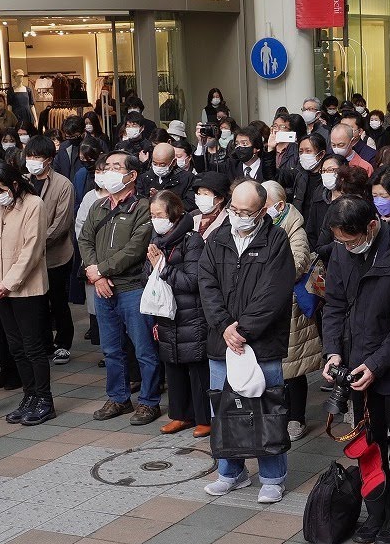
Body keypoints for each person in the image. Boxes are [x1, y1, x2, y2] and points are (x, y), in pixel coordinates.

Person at [322, 195, 390, 544]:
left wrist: (377, 364)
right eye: (340, 241)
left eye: (350, 240)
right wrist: (334, 351)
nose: (346, 247)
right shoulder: (341, 250)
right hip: (355, 361)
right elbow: (334, 304)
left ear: (370, 226)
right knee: (369, 442)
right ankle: (376, 511)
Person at [199, 180, 294, 502]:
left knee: (266, 410)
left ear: (262, 211)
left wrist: (243, 330)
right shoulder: (218, 238)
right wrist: (224, 326)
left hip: (261, 343)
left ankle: (272, 477)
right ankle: (230, 471)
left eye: (246, 212)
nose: (239, 216)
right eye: (234, 210)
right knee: (223, 411)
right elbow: (206, 284)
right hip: (221, 342)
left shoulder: (276, 240)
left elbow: (274, 293)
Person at [78, 152, 162, 425]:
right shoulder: (98, 206)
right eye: (107, 167)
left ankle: (149, 402)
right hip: (103, 289)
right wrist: (96, 275)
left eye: (117, 167)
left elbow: (135, 249)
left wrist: (101, 270)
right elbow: (85, 240)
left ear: (132, 175)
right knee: (111, 349)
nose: (109, 172)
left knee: (143, 349)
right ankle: (118, 397)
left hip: (133, 288)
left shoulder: (143, 208)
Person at [0, 160, 53, 426]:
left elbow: (31, 250)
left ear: (12, 184)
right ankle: (29, 395)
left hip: (27, 288)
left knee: (33, 347)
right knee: (16, 347)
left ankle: (44, 399)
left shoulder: (34, 204)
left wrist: (8, 283)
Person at [146, 190, 211, 438]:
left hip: (190, 313)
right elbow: (147, 275)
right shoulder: (156, 239)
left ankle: (205, 417)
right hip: (166, 313)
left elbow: (193, 281)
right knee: (172, 364)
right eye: (152, 215)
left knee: (196, 365)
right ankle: (181, 415)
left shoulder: (192, 240)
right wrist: (154, 267)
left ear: (173, 214)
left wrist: (163, 268)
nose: (154, 220)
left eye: (158, 214)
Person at [263, 181, 321, 441]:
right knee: (276, 364)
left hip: (291, 305)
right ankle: (278, 413)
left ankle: (296, 418)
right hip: (268, 303)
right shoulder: (262, 225)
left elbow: (297, 264)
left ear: (279, 205)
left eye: (263, 205)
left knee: (294, 367)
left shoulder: (294, 227)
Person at [22, 138, 76, 366]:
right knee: (36, 301)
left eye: (37, 157)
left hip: (56, 255)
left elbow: (62, 224)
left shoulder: (63, 184)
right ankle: (43, 342)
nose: (32, 162)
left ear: (49, 160)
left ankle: (63, 343)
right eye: (29, 157)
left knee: (58, 299)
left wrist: (34, 242)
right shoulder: (23, 182)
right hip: (28, 256)